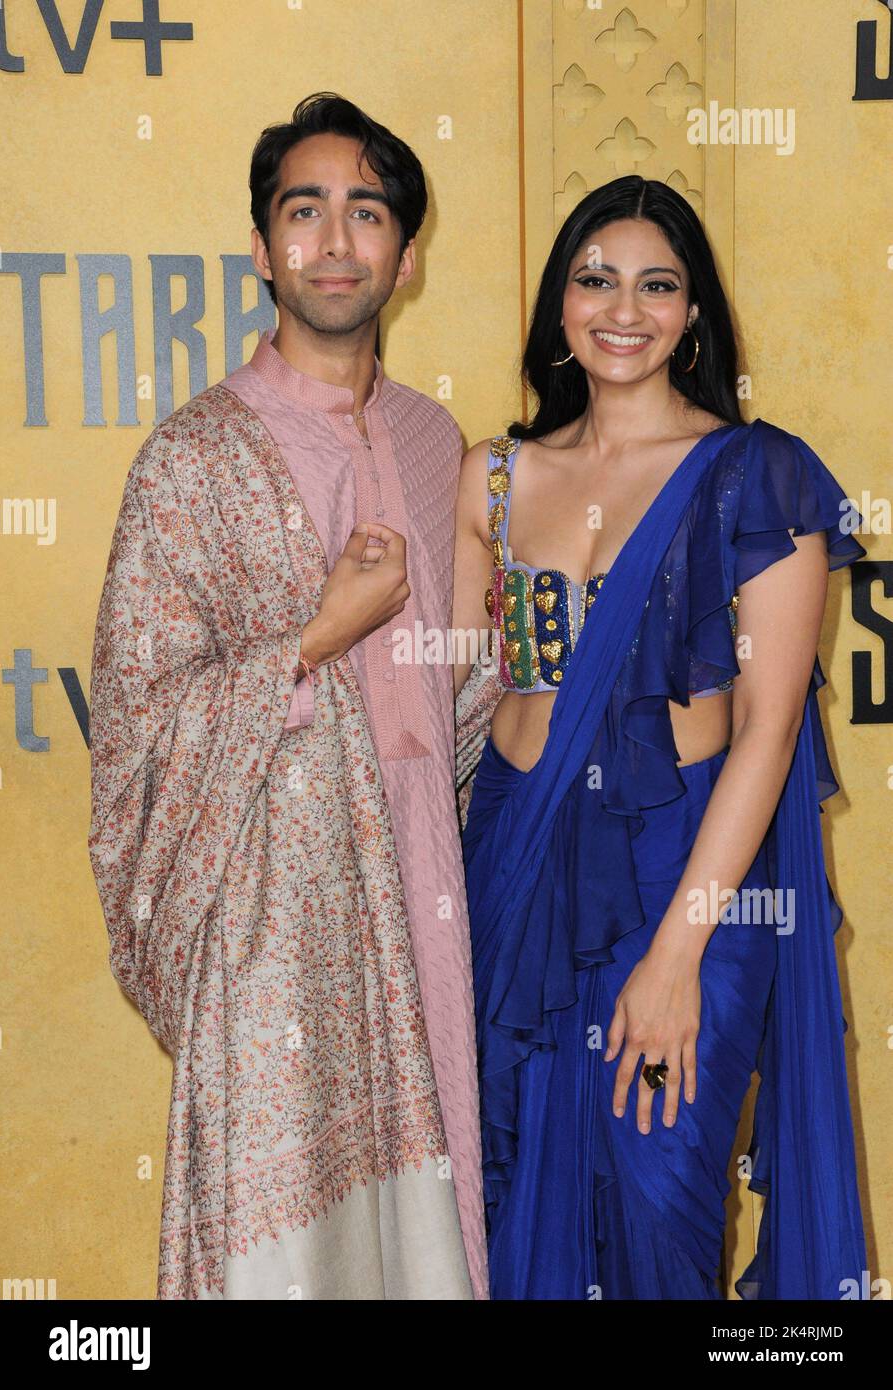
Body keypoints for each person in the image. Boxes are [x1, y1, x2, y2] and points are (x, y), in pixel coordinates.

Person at [87, 92, 487, 1300]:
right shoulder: (191, 459)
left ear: (405, 258)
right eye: (303, 210)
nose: (334, 238)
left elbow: (452, 695)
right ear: (262, 250)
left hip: (426, 882)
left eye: (366, 213)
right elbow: (139, 724)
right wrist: (316, 636)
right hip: (275, 928)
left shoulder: (435, 444)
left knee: (439, 1225)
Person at [452, 174, 868, 1300]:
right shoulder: (491, 477)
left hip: (686, 871)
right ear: (559, 304)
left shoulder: (756, 473)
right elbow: (446, 705)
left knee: (661, 1196)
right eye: (594, 278)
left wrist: (678, 952)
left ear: (692, 315)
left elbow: (770, 730)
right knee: (507, 1189)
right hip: (516, 865)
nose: (621, 307)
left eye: (656, 283)